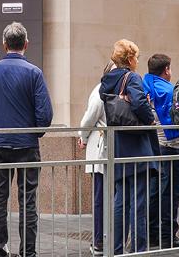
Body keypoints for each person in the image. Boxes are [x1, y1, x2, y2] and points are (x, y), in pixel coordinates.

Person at [0, 22, 53, 257]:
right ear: (26, 44)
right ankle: (28, 252)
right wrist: (35, 132)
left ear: (4, 44)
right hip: (27, 145)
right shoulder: (34, 73)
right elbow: (45, 115)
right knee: (28, 201)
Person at [99, 40, 159, 255]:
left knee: (120, 200)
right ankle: (138, 250)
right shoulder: (132, 77)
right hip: (137, 146)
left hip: (119, 145)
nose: (137, 61)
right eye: (137, 57)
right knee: (139, 201)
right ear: (130, 58)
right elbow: (139, 103)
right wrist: (150, 118)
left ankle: (116, 249)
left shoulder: (107, 79)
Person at [143, 53, 179, 250]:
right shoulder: (169, 90)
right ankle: (168, 235)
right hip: (171, 144)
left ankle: (152, 233)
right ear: (166, 69)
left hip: (152, 146)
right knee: (171, 192)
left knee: (154, 192)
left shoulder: (144, 84)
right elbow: (177, 116)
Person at [79, 62, 113, 256]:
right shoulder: (111, 90)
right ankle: (104, 240)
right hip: (107, 149)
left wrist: (82, 137)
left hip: (101, 150)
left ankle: (100, 241)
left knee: (100, 198)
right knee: (108, 197)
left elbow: (89, 118)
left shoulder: (100, 90)